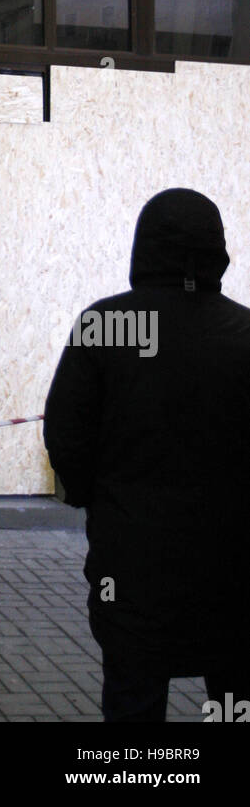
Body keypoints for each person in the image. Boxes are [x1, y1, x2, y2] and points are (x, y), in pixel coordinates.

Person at [44, 188, 250, 723]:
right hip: (235, 573)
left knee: (133, 703)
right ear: (217, 251)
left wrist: (95, 499)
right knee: (234, 703)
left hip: (132, 567)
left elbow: (67, 439)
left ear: (143, 248)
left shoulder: (107, 327)